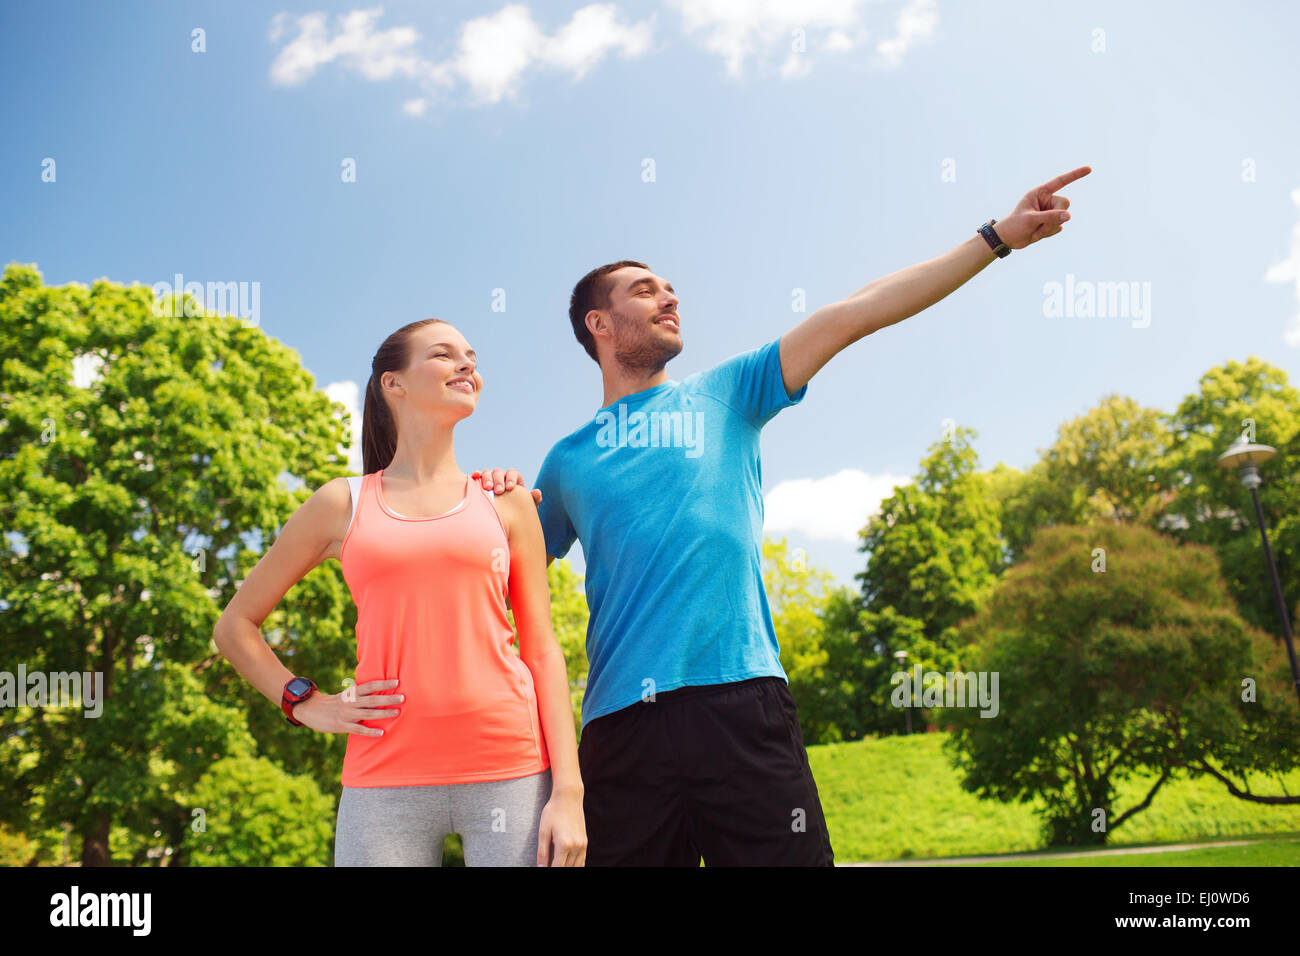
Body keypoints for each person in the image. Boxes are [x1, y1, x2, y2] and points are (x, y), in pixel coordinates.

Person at [475, 166, 1091, 865]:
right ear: (600, 323)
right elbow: (495, 574)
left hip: (742, 707)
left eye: (671, 287)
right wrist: (494, 492)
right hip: (622, 730)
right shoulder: (569, 460)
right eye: (644, 290)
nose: (669, 296)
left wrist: (994, 238)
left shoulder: (731, 392)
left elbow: (856, 312)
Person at [213, 317, 585, 867]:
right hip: (383, 778)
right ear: (394, 384)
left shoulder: (505, 502)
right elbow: (235, 626)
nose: (468, 366)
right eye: (444, 354)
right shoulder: (341, 505)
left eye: (472, 357)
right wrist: (306, 703)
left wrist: (570, 793)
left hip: (512, 770)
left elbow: (542, 651)